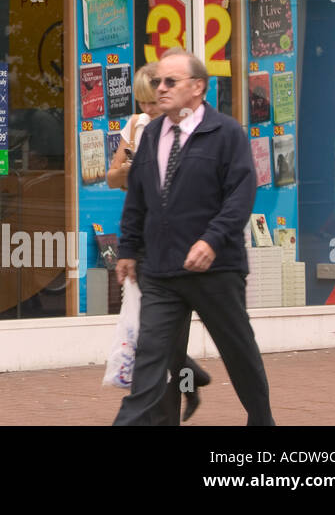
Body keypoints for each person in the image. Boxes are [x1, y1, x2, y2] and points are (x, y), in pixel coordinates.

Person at [113, 50, 274, 426]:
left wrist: (212, 240)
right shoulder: (151, 134)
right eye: (157, 82)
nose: (161, 89)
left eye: (170, 82)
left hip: (215, 269)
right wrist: (128, 249)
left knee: (239, 353)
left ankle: (262, 419)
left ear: (198, 87)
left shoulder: (226, 133)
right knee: (151, 357)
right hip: (161, 270)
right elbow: (137, 198)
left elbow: (241, 195)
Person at [106, 62, 212, 422]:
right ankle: (189, 379)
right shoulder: (138, 126)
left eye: (152, 102)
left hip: (179, 246)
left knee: (164, 336)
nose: (148, 110)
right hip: (145, 240)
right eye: (143, 103)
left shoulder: (186, 130)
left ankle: (180, 392)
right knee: (153, 334)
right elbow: (112, 176)